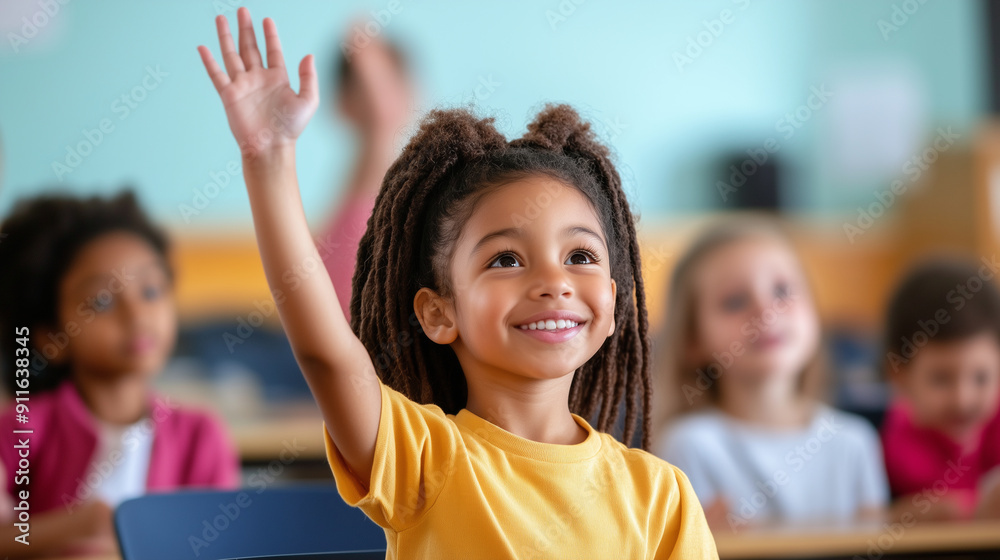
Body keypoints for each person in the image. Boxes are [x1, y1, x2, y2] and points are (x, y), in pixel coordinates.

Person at [197, 8, 717, 558]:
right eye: (506, 260)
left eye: (581, 255)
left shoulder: (664, 495)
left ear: (612, 304)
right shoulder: (424, 458)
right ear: (438, 313)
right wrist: (268, 159)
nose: (552, 281)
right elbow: (327, 354)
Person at [0, 191, 240, 557]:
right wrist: (82, 525)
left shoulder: (200, 436)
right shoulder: (22, 429)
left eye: (151, 290)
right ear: (51, 337)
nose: (137, 315)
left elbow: (221, 547)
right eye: (101, 301)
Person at [654, 216, 887, 533]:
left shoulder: (856, 442)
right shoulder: (688, 446)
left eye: (783, 290)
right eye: (735, 301)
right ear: (692, 340)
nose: (765, 311)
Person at [880, 258, 1000, 522]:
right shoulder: (900, 441)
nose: (963, 399)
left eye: (981, 377)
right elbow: (950, 512)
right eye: (941, 379)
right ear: (900, 376)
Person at [319, 32, 416, 321]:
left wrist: (368, 66)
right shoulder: (357, 184)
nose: (379, 99)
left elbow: (380, 122)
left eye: (387, 83)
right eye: (371, 86)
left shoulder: (390, 181)